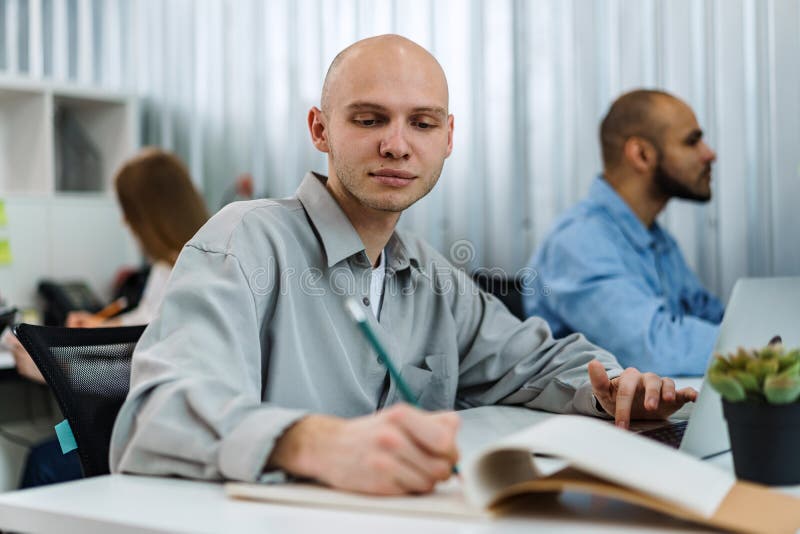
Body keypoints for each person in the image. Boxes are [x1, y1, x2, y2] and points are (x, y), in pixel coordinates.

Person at [110, 36, 696, 496]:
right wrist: (312, 443)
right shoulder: (247, 241)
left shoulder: (429, 274)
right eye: (368, 120)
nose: (397, 144)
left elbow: (538, 361)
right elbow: (155, 416)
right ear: (320, 129)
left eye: (422, 122)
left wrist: (613, 388)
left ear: (448, 138)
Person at [4, 148, 208, 487]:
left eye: (127, 211)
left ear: (149, 215)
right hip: (152, 424)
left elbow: (140, 373)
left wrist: (53, 369)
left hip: (166, 436)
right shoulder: (168, 265)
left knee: (44, 462)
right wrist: (104, 326)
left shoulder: (195, 272)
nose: (124, 222)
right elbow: (148, 324)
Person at [523, 89, 724, 377]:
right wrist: (762, 348)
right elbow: (652, 350)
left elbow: (711, 316)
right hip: (587, 420)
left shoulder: (659, 241)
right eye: (692, 141)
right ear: (641, 155)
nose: (709, 153)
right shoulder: (577, 242)